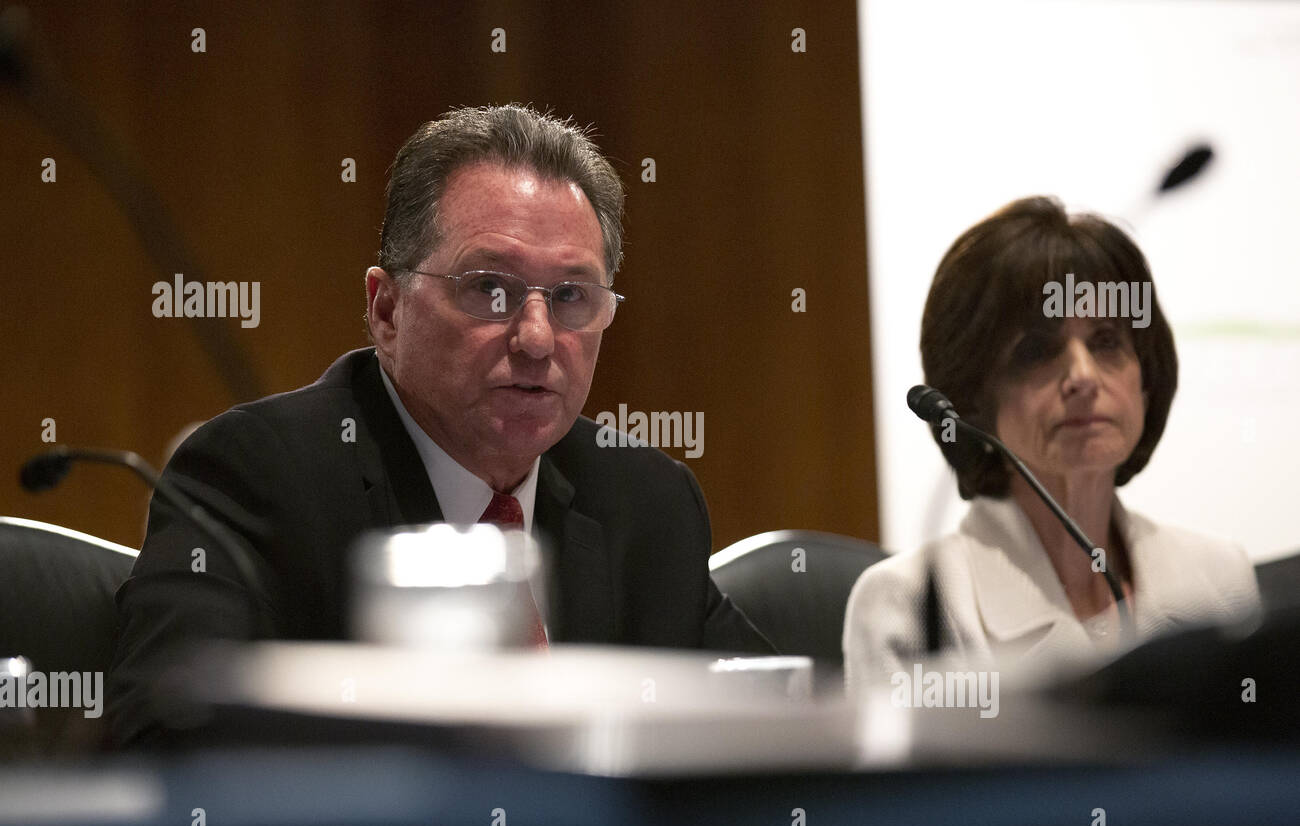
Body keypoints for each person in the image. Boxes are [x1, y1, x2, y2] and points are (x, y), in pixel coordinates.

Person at [109, 105, 772, 746]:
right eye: (490, 289)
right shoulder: (254, 476)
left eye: (571, 296)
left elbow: (774, 729)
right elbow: (163, 740)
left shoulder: (646, 503)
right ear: (387, 310)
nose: (538, 338)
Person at [842, 196, 1260, 688]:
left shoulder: (1219, 577)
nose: (1083, 377)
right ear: (974, 399)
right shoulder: (908, 605)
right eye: (1038, 350)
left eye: (1106, 342)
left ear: (1147, 379)